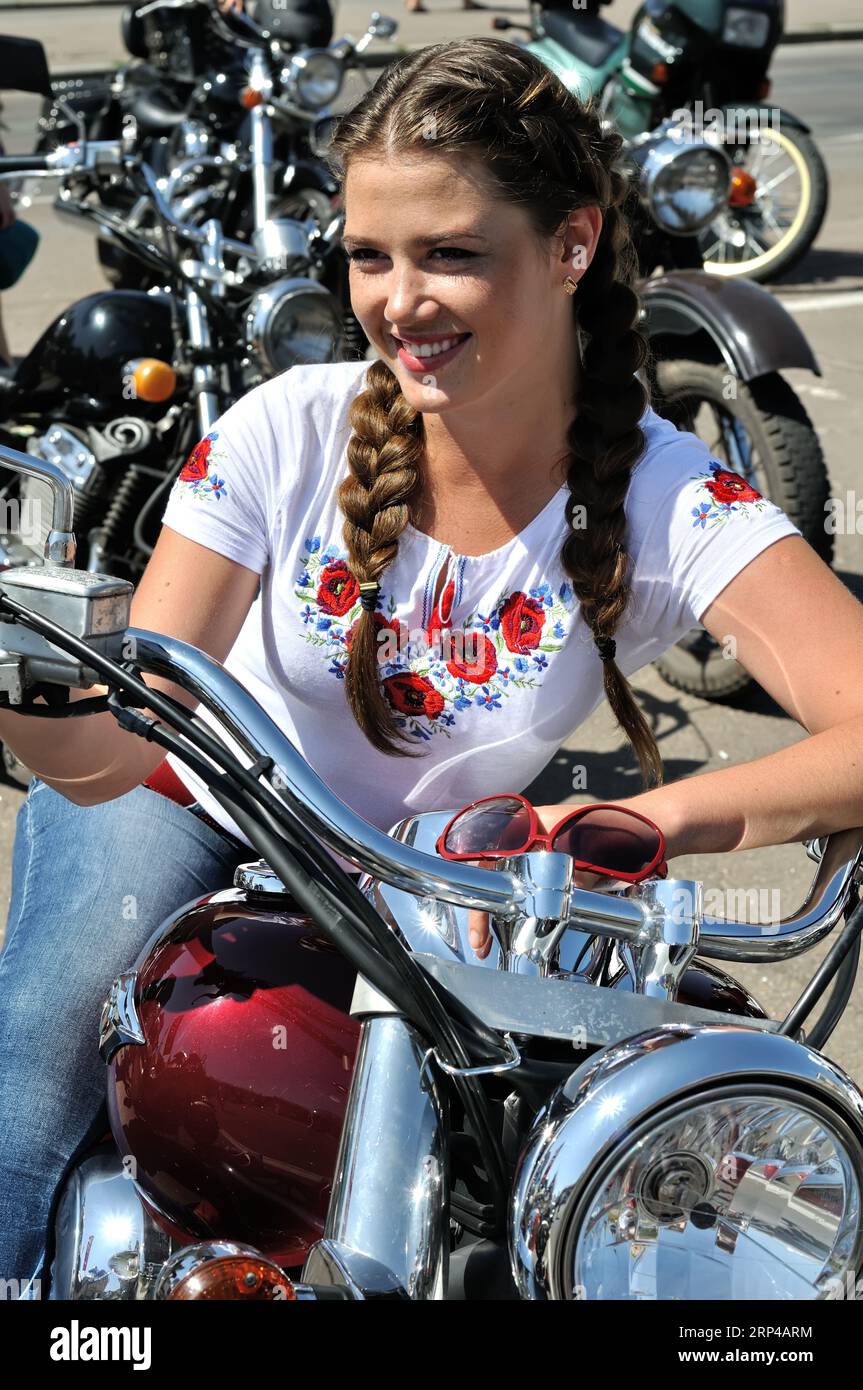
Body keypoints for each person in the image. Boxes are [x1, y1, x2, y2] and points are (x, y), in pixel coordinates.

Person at [2, 35, 863, 1286]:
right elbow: (122, 740)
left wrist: (643, 818)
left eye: (450, 253)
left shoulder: (667, 494)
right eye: (367, 256)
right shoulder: (280, 434)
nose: (397, 300)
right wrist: (30, 688)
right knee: (31, 1058)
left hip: (461, 874)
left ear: (570, 246)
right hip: (200, 808)